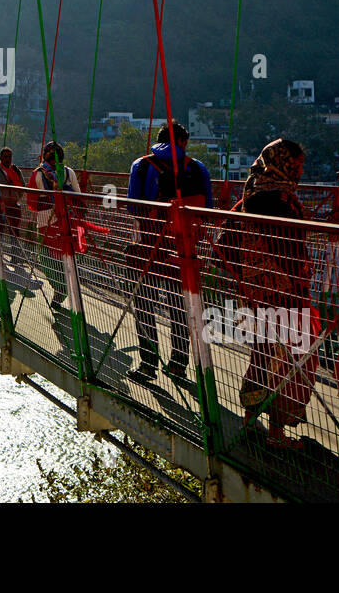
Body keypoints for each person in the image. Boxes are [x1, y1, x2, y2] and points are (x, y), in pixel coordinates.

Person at [214, 138, 318, 448]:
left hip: (258, 292)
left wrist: (248, 275)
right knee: (289, 357)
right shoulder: (279, 201)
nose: (299, 172)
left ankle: (250, 418)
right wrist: (292, 276)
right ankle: (276, 432)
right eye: (296, 167)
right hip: (286, 292)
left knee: (263, 354)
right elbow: (291, 249)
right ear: (284, 165)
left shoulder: (251, 193)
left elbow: (223, 243)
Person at [125, 123, 213, 384]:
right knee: (179, 307)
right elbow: (207, 207)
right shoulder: (198, 168)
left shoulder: (141, 165)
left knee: (144, 304)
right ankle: (177, 366)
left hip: (149, 246)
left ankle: (148, 365)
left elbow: (133, 206)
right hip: (182, 248)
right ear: (184, 141)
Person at [28, 141, 81, 307]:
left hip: (46, 222)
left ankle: (60, 288)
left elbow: (31, 202)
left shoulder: (38, 174)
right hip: (67, 221)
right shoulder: (68, 172)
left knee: (46, 258)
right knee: (66, 257)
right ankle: (66, 288)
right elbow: (78, 195)